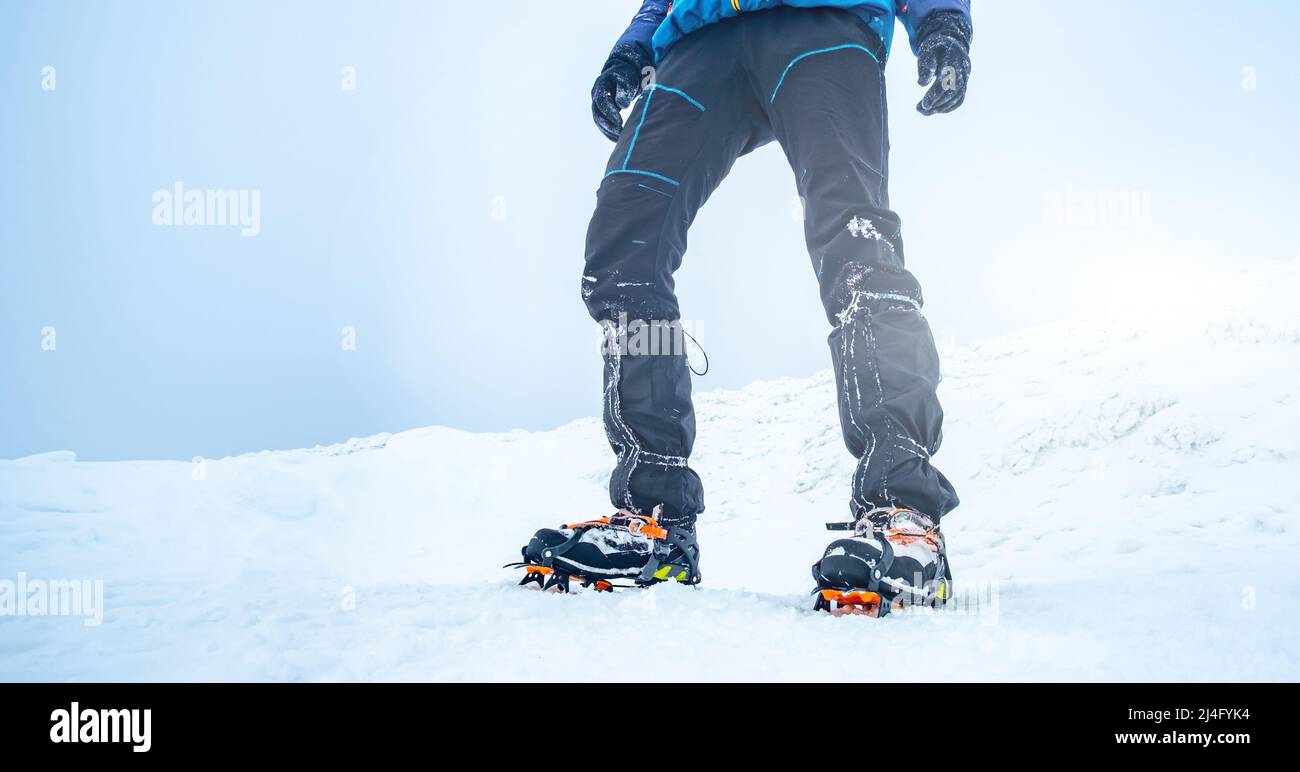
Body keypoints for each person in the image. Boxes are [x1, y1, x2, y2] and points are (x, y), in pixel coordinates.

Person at [510, 0, 971, 614]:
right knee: (624, 245)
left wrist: (941, 20)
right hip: (697, 41)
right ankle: (655, 520)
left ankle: (904, 513)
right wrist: (632, 49)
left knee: (856, 240)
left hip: (825, 23)